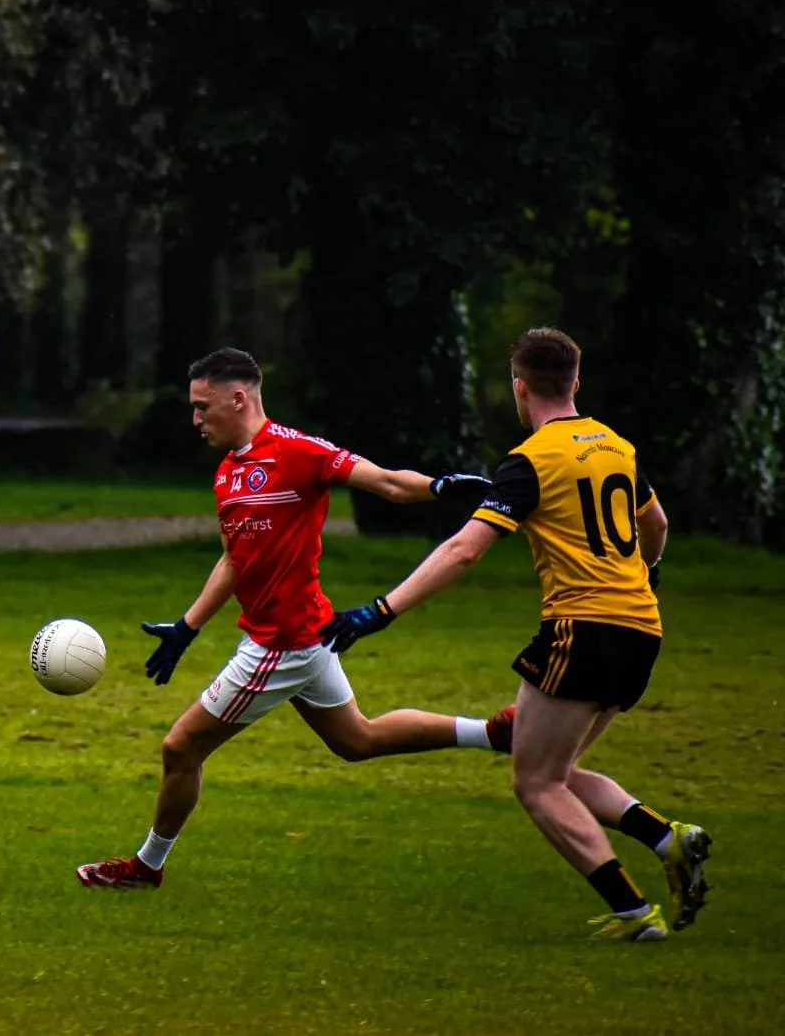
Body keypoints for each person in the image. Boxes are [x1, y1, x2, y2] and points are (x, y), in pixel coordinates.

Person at [319, 327, 708, 943]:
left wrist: (379, 610)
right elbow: (655, 523)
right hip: (641, 630)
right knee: (558, 766)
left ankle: (635, 916)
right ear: (576, 383)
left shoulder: (530, 461)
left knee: (535, 782)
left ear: (519, 389)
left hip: (582, 629)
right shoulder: (616, 446)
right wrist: (648, 573)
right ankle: (669, 839)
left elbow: (464, 551)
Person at [77, 347, 504, 892]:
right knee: (358, 740)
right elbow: (236, 559)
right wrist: (187, 627)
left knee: (180, 749)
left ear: (239, 398)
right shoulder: (228, 474)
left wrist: (440, 487)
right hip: (307, 635)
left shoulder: (300, 453)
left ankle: (146, 866)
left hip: (283, 645)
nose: (195, 419)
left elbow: (387, 482)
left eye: (203, 407)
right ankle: (491, 733)